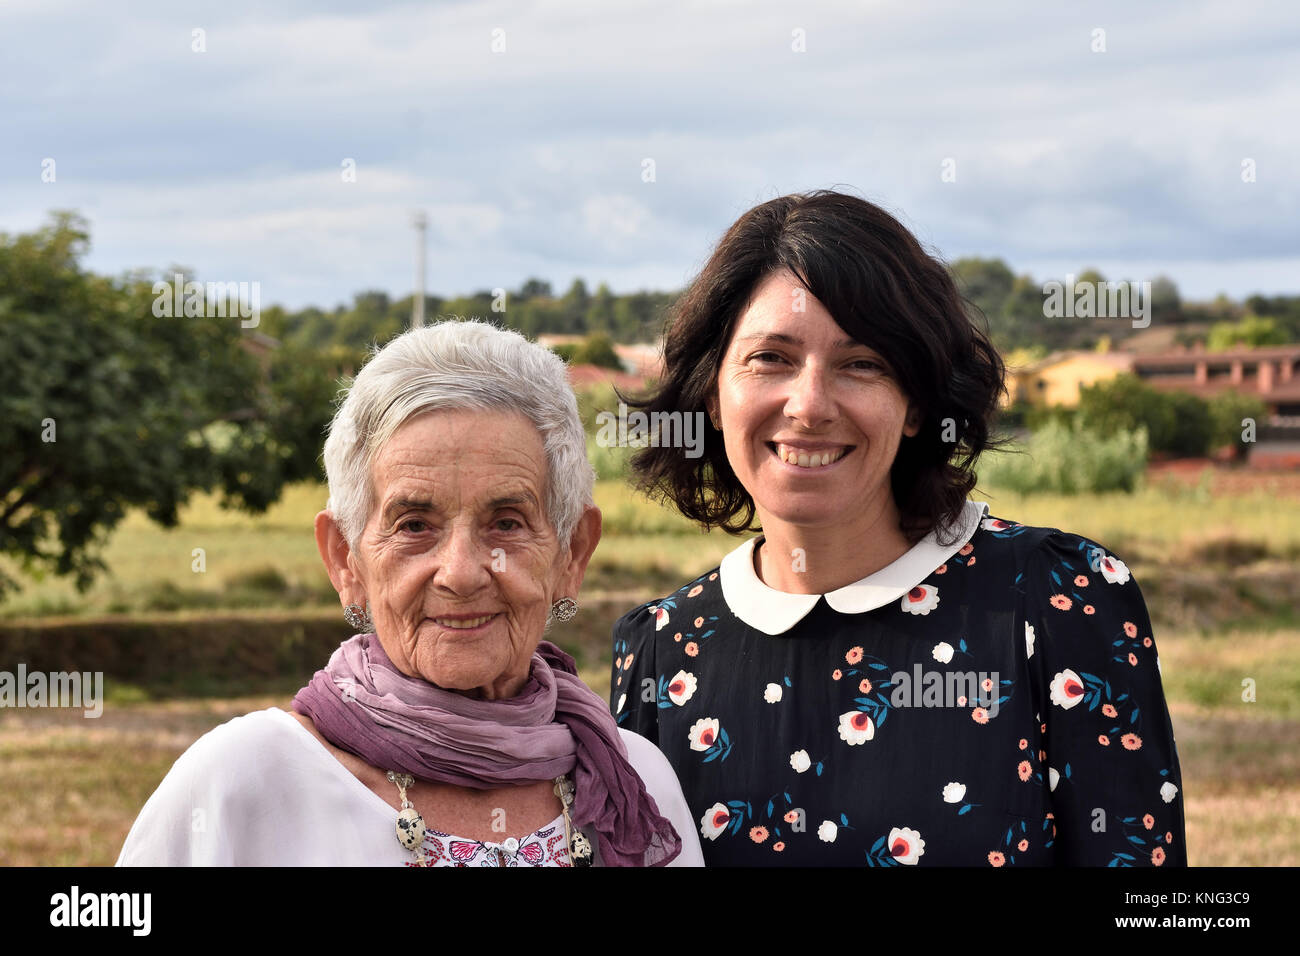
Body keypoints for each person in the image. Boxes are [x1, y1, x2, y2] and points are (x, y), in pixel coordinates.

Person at [610, 190, 1187, 866]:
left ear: (916, 403)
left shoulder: (1056, 599)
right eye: (771, 358)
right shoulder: (660, 650)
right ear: (712, 394)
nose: (810, 405)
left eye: (862, 364)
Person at [118, 320, 702, 867]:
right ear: (345, 558)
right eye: (414, 525)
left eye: (506, 522)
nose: (461, 572)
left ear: (572, 554)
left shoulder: (637, 785)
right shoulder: (242, 782)